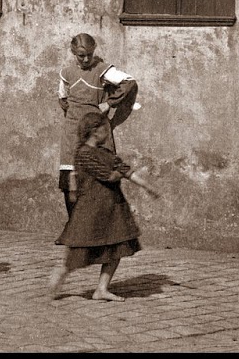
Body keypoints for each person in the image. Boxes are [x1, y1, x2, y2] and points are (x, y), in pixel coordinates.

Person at [50, 112, 159, 301]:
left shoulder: (106, 153)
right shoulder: (83, 153)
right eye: (105, 129)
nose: (108, 132)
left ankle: (101, 289)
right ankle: (60, 275)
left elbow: (124, 170)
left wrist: (147, 186)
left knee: (117, 248)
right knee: (78, 251)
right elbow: (107, 175)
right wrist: (116, 174)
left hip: (112, 209)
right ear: (94, 132)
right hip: (91, 211)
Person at [58, 33, 138, 216]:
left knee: (98, 178)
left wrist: (109, 103)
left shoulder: (103, 70)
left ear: (94, 52)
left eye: (89, 55)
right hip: (72, 132)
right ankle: (74, 228)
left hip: (95, 131)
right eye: (81, 55)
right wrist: (72, 115)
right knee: (70, 180)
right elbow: (62, 98)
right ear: (73, 53)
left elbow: (128, 82)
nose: (86, 59)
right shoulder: (66, 73)